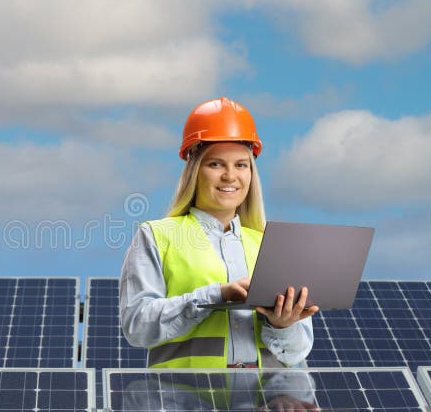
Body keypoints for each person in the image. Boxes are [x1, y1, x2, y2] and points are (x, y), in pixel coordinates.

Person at [120, 97, 319, 370]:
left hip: (262, 405)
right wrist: (215, 295)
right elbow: (136, 325)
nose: (230, 176)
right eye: (215, 164)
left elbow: (296, 354)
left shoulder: (272, 246)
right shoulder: (156, 236)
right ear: (194, 170)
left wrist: (282, 326)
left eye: (241, 164)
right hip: (185, 403)